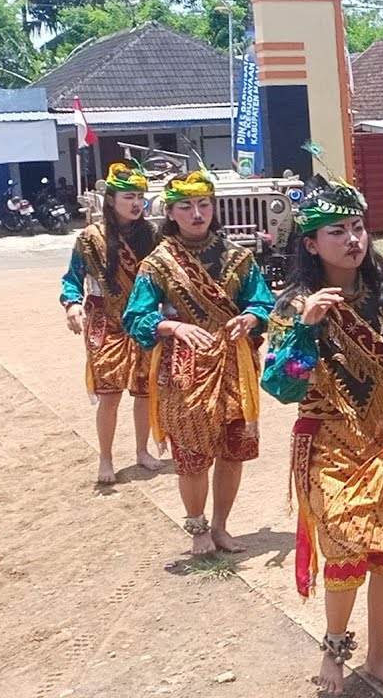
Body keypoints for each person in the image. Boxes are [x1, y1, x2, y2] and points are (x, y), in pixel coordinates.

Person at [262, 175, 383, 695]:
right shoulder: (292, 307)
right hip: (329, 441)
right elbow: (278, 384)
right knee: (344, 545)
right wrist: (305, 328)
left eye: (359, 227)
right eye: (337, 230)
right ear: (310, 243)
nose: (353, 240)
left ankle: (379, 656)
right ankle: (335, 652)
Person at [122, 170, 275, 554]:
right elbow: (135, 317)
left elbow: (264, 301)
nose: (196, 213)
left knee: (232, 448)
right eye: (186, 206)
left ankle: (222, 525)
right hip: (184, 369)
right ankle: (198, 528)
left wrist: (252, 317)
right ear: (171, 213)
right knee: (191, 454)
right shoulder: (157, 264)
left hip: (234, 363)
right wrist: (171, 325)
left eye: (203, 205)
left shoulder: (238, 257)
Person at [60, 162, 162, 484]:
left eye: (140, 197)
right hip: (105, 320)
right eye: (129, 196)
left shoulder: (153, 236)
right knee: (110, 393)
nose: (136, 203)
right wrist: (72, 305)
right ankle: (105, 458)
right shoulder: (91, 238)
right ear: (111, 199)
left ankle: (142, 451)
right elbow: (72, 279)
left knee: (144, 391)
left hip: (144, 319)